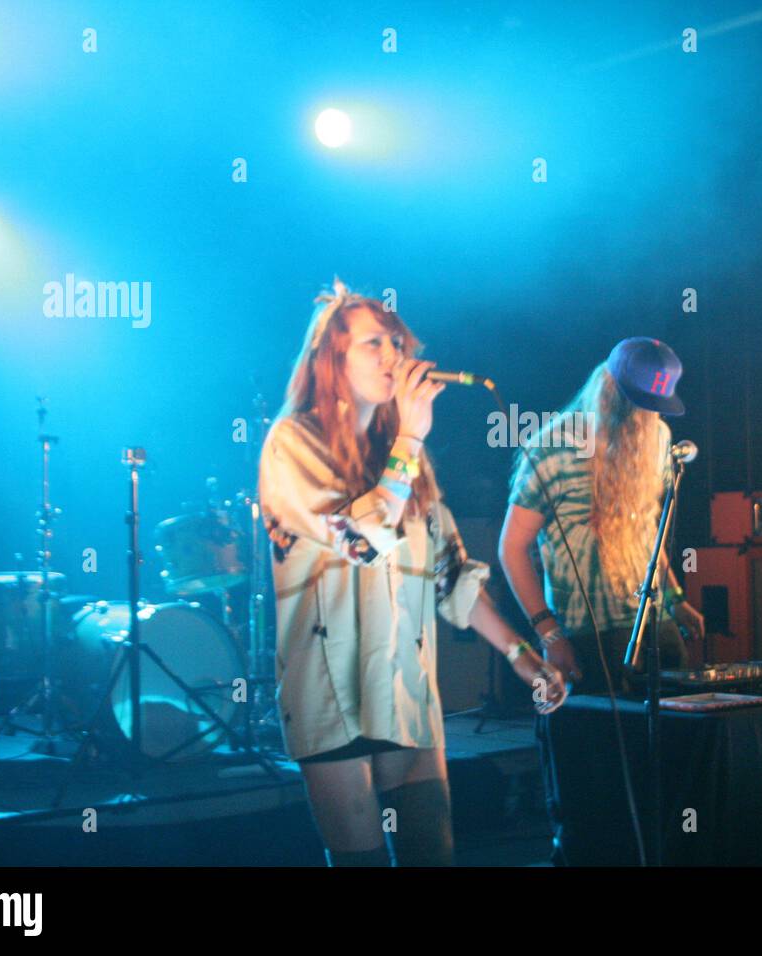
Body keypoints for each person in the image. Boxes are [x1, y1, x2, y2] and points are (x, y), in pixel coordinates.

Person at [259, 278, 567, 867]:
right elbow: (359, 540)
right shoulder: (292, 444)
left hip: (405, 689)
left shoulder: (407, 457)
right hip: (332, 689)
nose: (392, 356)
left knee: (434, 855)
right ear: (331, 359)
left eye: (396, 343)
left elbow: (451, 573)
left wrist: (522, 656)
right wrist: (409, 436)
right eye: (374, 344)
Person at [498, 337, 706, 694]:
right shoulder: (552, 447)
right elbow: (512, 548)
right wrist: (549, 634)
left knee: (675, 739)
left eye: (654, 406)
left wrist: (675, 598)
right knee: (599, 744)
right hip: (585, 632)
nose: (648, 416)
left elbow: (646, 527)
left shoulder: (657, 436)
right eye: (640, 404)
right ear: (611, 389)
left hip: (653, 620)